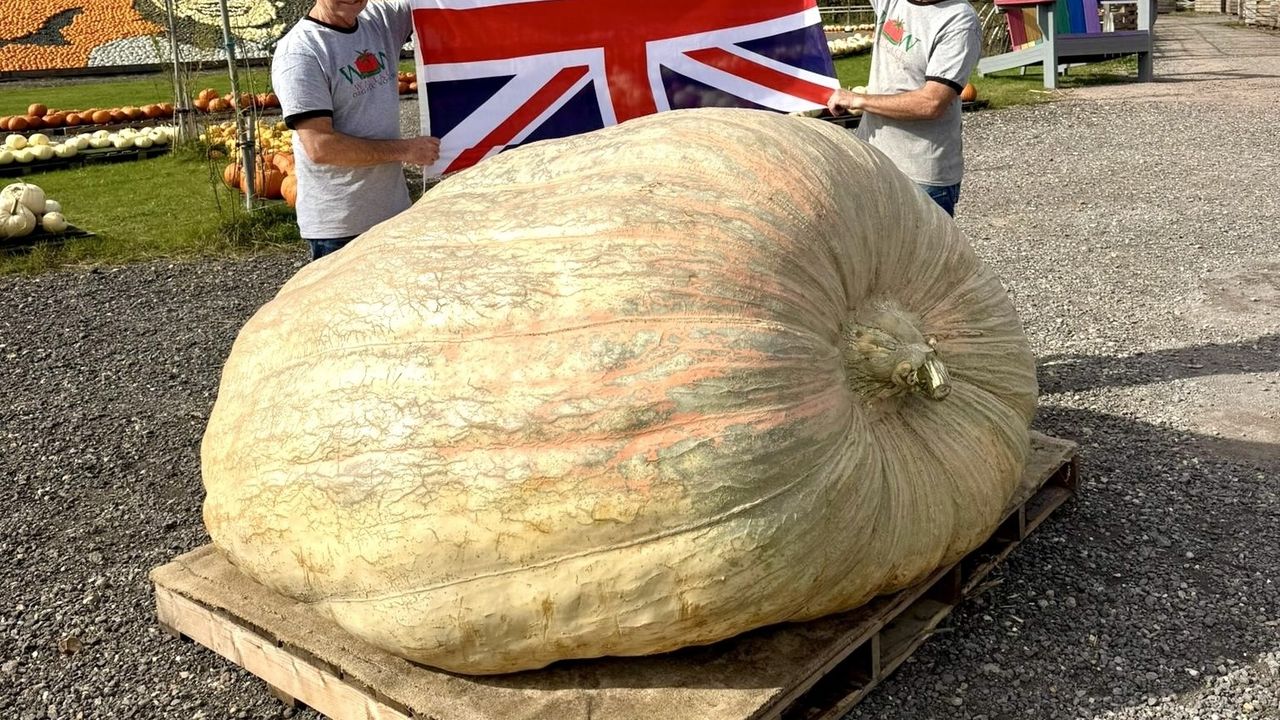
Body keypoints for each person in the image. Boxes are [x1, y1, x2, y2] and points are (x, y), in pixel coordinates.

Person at [272, 0, 441, 260]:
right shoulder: (300, 52)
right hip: (341, 228)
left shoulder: (379, 20)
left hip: (394, 213)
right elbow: (321, 147)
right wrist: (406, 149)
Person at [827, 0, 980, 217]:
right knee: (871, 249)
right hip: (872, 162)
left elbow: (931, 103)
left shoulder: (959, 20)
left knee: (918, 252)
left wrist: (858, 100)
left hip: (921, 177)